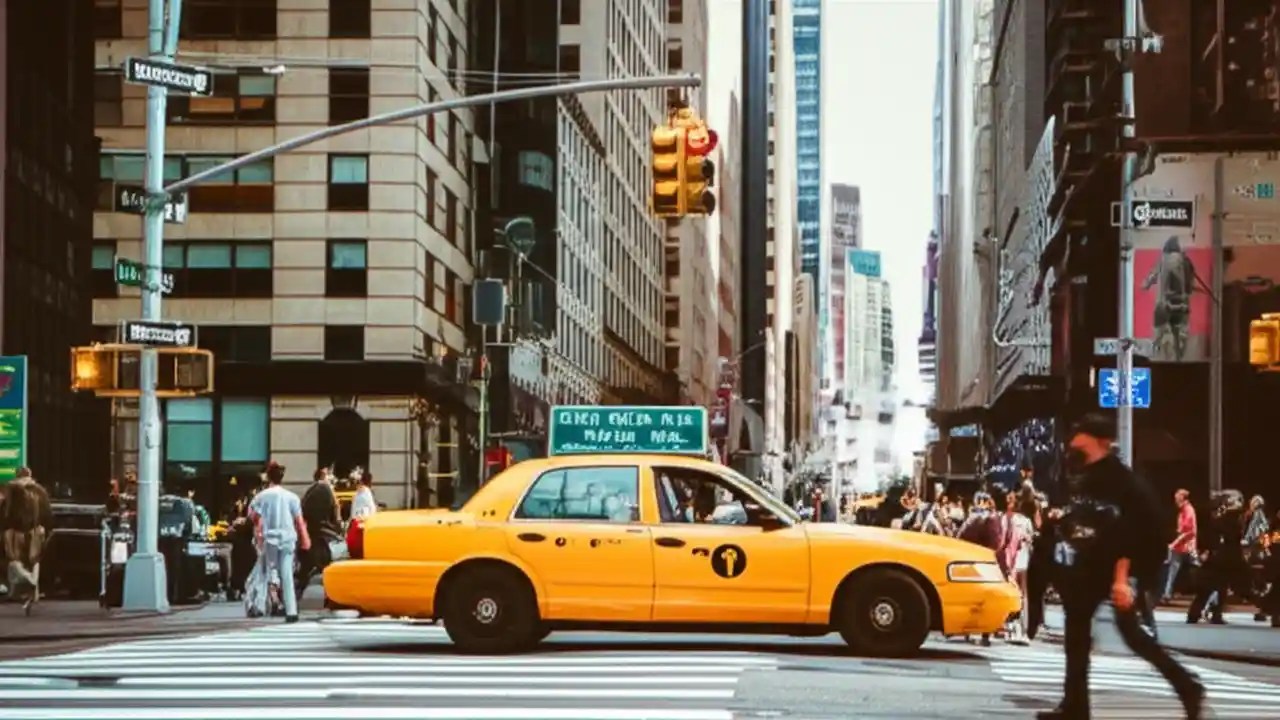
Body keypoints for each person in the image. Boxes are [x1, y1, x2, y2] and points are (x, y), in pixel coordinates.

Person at [1038, 415, 1202, 720]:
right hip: (1093, 566)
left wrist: (1122, 580)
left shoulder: (1119, 479)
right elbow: (1092, 519)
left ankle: (1187, 685)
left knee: (1133, 636)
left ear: (1101, 442)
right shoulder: (1085, 472)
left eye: (1081, 438)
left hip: (1121, 567)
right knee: (1076, 631)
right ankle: (1075, 706)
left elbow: (1128, 531)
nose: (1073, 443)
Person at [248, 461, 310, 623]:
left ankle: (262, 603)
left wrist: (259, 534)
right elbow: (299, 521)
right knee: (287, 574)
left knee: (267, 571)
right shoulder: (292, 497)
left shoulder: (261, 496)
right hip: (288, 538)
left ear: (268, 477)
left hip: (270, 538)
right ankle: (291, 611)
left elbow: (254, 517)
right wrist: (305, 539)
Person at [296, 467, 342, 599]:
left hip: (312, 535)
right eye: (329, 475)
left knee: (305, 570)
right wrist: (337, 529)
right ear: (324, 475)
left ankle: (294, 596)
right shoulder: (327, 490)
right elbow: (336, 515)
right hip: (324, 538)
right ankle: (332, 598)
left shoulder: (310, 492)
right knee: (328, 569)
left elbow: (302, 512)